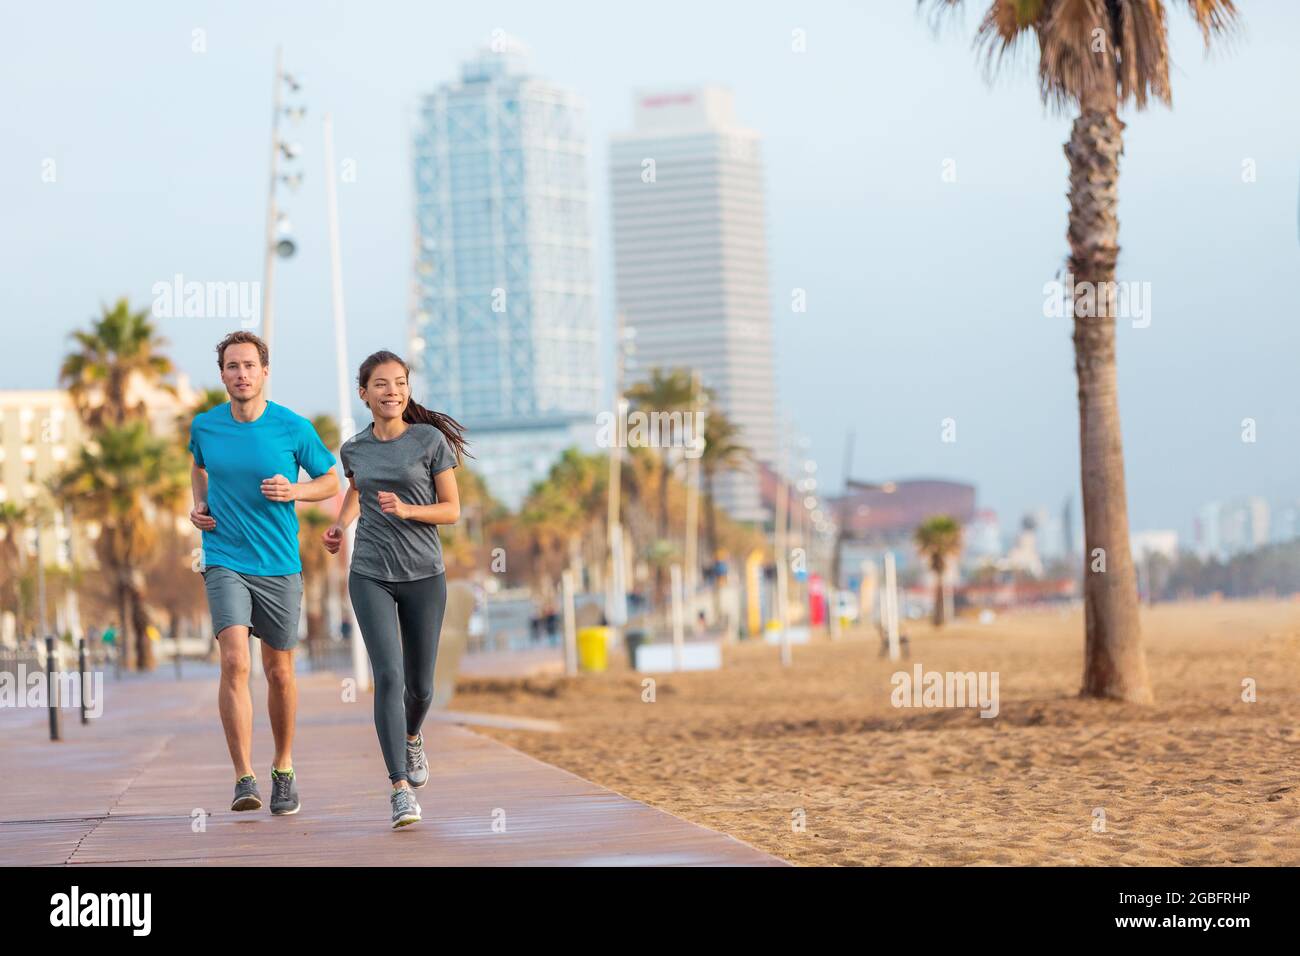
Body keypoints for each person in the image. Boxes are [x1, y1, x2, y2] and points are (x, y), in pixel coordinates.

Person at [188, 331, 339, 815]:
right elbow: (198, 466)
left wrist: (294, 492)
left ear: (265, 371)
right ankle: (244, 777)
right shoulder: (205, 426)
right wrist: (198, 502)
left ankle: (284, 767)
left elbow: (331, 480)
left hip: (278, 563)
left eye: (249, 365)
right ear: (223, 375)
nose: (241, 374)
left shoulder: (292, 428)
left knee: (279, 671)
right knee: (234, 661)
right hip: (224, 557)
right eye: (232, 367)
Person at [322, 349, 468, 829]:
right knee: (388, 676)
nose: (393, 391)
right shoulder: (354, 449)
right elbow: (358, 490)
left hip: (425, 574)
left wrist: (408, 511)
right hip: (371, 575)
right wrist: (342, 527)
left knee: (421, 687)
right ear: (364, 393)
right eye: (381, 384)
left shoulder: (428, 441)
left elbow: (451, 510)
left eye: (400, 382)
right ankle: (399, 788)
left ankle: (412, 737)